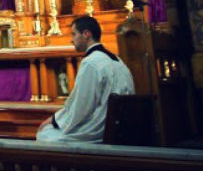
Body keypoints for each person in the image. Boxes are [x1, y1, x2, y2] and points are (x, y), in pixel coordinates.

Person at [36, 15, 134, 143]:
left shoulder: (91, 62)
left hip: (100, 128)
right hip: (121, 124)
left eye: (74, 34)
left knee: (44, 134)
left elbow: (82, 105)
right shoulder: (117, 59)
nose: (71, 40)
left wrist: (54, 120)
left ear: (86, 34)